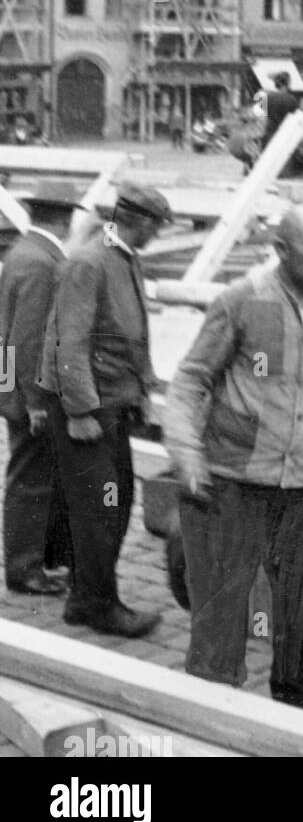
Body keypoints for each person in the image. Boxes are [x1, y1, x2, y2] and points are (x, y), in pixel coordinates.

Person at [163, 206, 303, 710]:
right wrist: (186, 453)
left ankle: (298, 715)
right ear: (282, 250)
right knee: (221, 607)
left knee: (301, 613)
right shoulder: (241, 301)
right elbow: (191, 379)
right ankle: (212, 716)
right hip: (236, 480)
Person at [40, 183, 173, 637]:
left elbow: (131, 331)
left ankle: (85, 597)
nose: (157, 234)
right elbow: (68, 339)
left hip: (113, 405)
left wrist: (144, 389)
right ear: (140, 221)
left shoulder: (123, 258)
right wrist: (79, 410)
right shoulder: (89, 262)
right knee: (101, 508)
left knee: (116, 503)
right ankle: (99, 604)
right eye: (156, 225)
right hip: (88, 412)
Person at [0, 179, 82, 596]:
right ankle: (24, 569)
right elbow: (29, 338)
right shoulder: (43, 263)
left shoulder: (22, 253)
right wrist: (33, 402)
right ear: (66, 219)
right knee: (31, 480)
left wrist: (8, 389)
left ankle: (39, 559)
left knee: (33, 475)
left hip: (14, 387)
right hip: (32, 395)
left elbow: (9, 334)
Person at [263, 72, 301, 145]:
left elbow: (263, 119)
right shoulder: (291, 99)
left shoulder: (267, 98)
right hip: (285, 137)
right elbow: (297, 119)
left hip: (269, 136)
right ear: (287, 83)